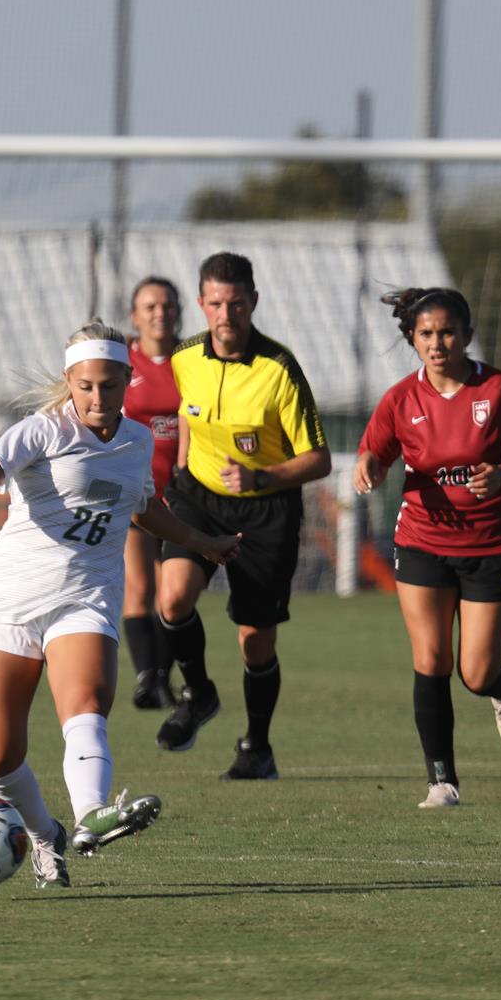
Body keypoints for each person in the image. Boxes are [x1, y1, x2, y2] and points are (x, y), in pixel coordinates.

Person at [0, 322, 239, 888]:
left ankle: (90, 818)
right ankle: (44, 834)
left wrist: (202, 543)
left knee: (86, 704)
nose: (97, 398)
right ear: (70, 382)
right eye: (85, 386)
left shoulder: (137, 441)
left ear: (128, 380)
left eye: (109, 385)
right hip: (11, 601)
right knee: (0, 756)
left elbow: (142, 508)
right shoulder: (40, 431)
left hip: (85, 596)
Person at [355, 287, 501, 809]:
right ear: (413, 339)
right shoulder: (400, 399)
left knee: (476, 672)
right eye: (426, 334)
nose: (437, 343)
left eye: (447, 333)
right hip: (421, 541)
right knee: (430, 659)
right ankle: (442, 781)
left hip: (491, 543)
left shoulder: (499, 389)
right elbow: (374, 450)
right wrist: (369, 466)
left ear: (466, 334)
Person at [154, 251, 332, 781]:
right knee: (172, 596)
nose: (225, 314)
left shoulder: (280, 369)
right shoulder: (185, 356)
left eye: (235, 303)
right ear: (202, 305)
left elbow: (319, 459)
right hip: (199, 498)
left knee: (255, 639)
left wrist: (262, 477)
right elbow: (189, 412)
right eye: (215, 303)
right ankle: (199, 693)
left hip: (266, 511)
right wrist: (183, 470)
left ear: (253, 303)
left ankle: (257, 745)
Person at [120, 276, 185, 711]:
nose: (158, 313)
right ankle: (148, 679)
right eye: (149, 306)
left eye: (166, 305)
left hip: (182, 495)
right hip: (134, 492)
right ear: (135, 315)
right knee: (139, 587)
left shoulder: (193, 360)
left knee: (173, 595)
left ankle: (164, 676)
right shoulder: (122, 361)